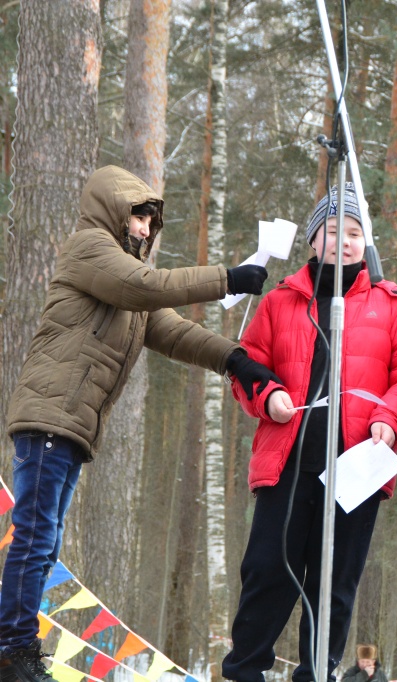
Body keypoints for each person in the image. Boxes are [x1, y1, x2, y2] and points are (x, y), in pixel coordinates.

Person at [0, 165, 276, 682]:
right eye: (139, 218)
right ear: (113, 212)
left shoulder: (126, 282)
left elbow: (172, 331)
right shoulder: (90, 250)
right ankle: (13, 648)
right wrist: (227, 279)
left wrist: (236, 360)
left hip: (70, 423)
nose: (146, 230)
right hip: (49, 415)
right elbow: (144, 287)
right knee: (35, 536)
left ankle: (16, 646)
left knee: (46, 540)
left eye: (152, 222)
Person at [221, 185, 397, 682]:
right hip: (287, 461)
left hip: (357, 465)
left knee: (335, 581)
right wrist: (267, 396)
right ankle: (244, 670)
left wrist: (389, 421)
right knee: (267, 570)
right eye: (334, 231)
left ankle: (316, 674)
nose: (345, 242)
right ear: (314, 240)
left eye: (356, 233)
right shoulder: (279, 302)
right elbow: (245, 369)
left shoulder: (394, 305)